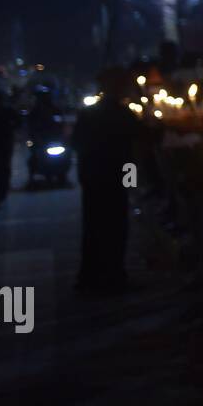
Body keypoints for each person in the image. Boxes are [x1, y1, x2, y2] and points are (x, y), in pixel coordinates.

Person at [72, 67, 140, 293]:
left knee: (93, 226)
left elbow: (75, 142)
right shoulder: (123, 114)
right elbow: (144, 137)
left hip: (92, 178)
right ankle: (114, 276)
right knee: (116, 226)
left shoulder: (89, 113)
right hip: (116, 177)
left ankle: (90, 277)